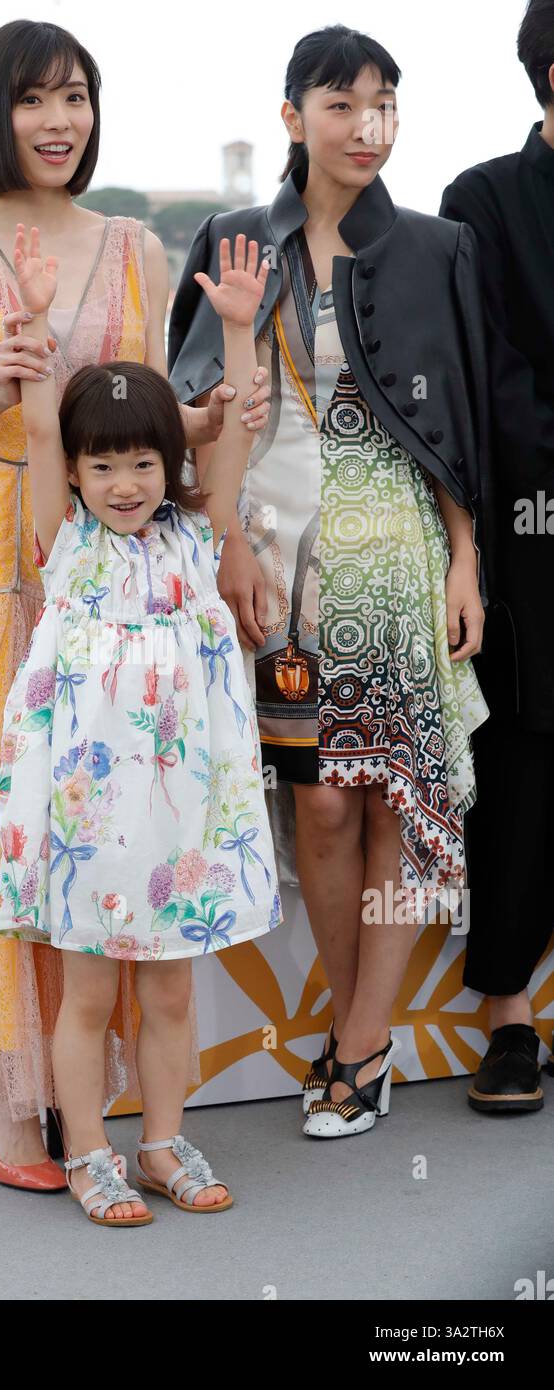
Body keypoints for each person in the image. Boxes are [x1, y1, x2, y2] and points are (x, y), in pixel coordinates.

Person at [0, 18, 269, 1190]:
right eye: (33, 100)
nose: (59, 122)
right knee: (5, 829)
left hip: (116, 563)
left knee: (113, 808)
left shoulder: (131, 245)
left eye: (75, 98)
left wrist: (223, 427)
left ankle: (106, 1109)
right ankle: (12, 1104)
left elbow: (149, 415)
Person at [169, 25, 493, 1137]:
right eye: (343, 106)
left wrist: (463, 555)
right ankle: (361, 1027)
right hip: (266, 544)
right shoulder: (228, 236)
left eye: (385, 107)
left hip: (392, 546)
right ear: (291, 114)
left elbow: (461, 420)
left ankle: (359, 1042)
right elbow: (189, 401)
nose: (367, 130)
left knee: (393, 795)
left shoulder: (436, 246)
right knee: (314, 798)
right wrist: (222, 529)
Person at [0, 223, 281, 1224]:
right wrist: (30, 321)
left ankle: (159, 1142)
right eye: (102, 465)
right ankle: (87, 1153)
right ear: (74, 471)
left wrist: (239, 334)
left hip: (181, 810)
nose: (124, 484)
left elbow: (235, 425)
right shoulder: (64, 545)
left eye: (143, 463)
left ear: (169, 463)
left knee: (164, 993)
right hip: (87, 804)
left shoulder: (198, 537)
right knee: (83, 995)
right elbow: (32, 432)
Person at [439, 0, 554, 1111]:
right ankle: (507, 1018)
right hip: (531, 528)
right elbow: (492, 381)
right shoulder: (479, 202)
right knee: (521, 765)